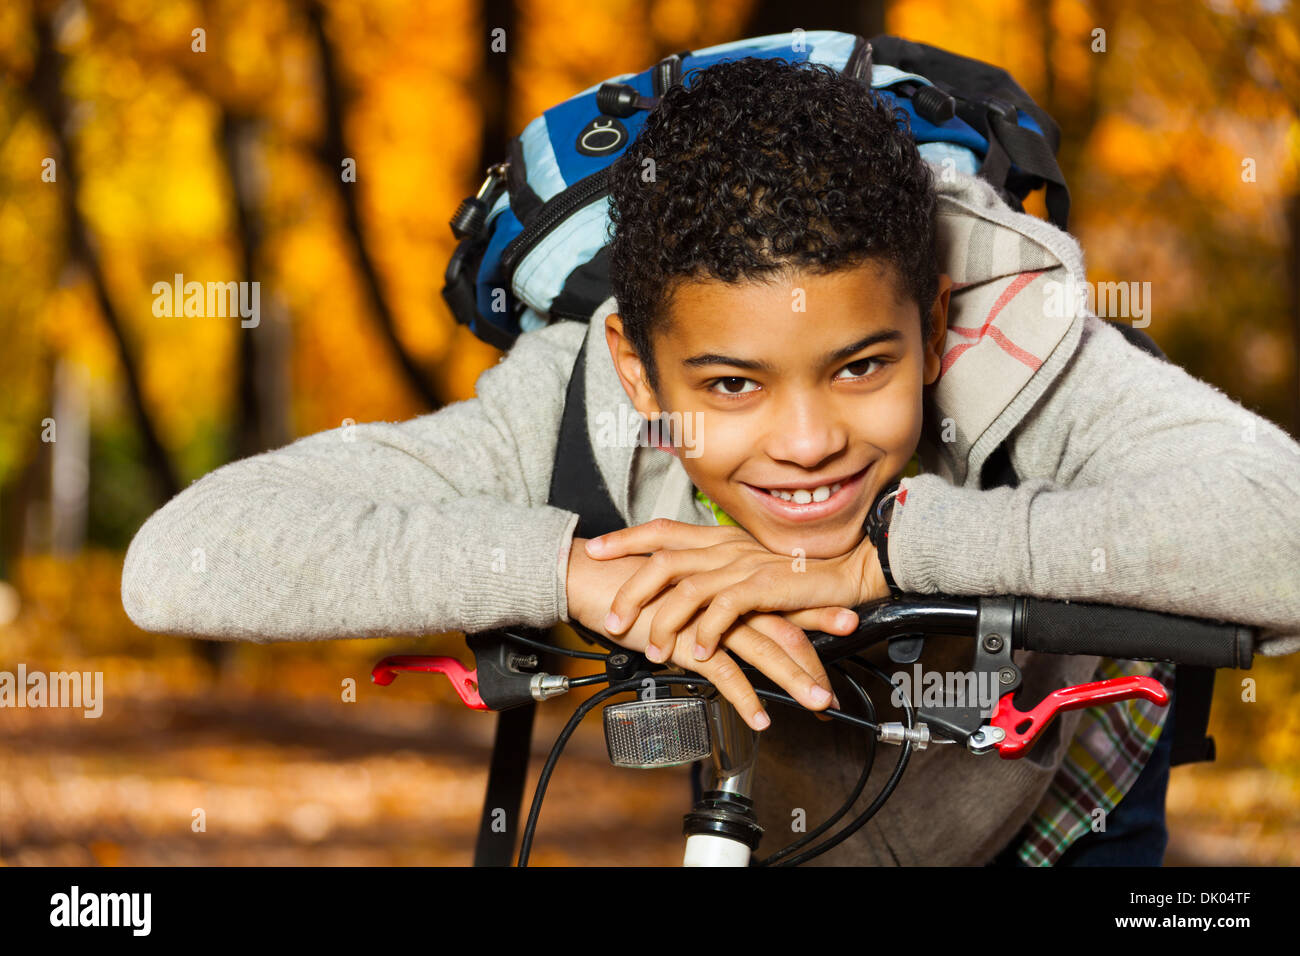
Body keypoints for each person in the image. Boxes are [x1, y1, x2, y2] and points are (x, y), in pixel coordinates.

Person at [122, 57, 1300, 866]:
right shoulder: (576, 398)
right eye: (731, 386)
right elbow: (181, 558)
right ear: (638, 367)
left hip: (1062, 780)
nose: (804, 443)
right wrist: (586, 572)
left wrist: (879, 559)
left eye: (859, 367)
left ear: (933, 325)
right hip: (800, 813)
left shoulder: (1019, 339)